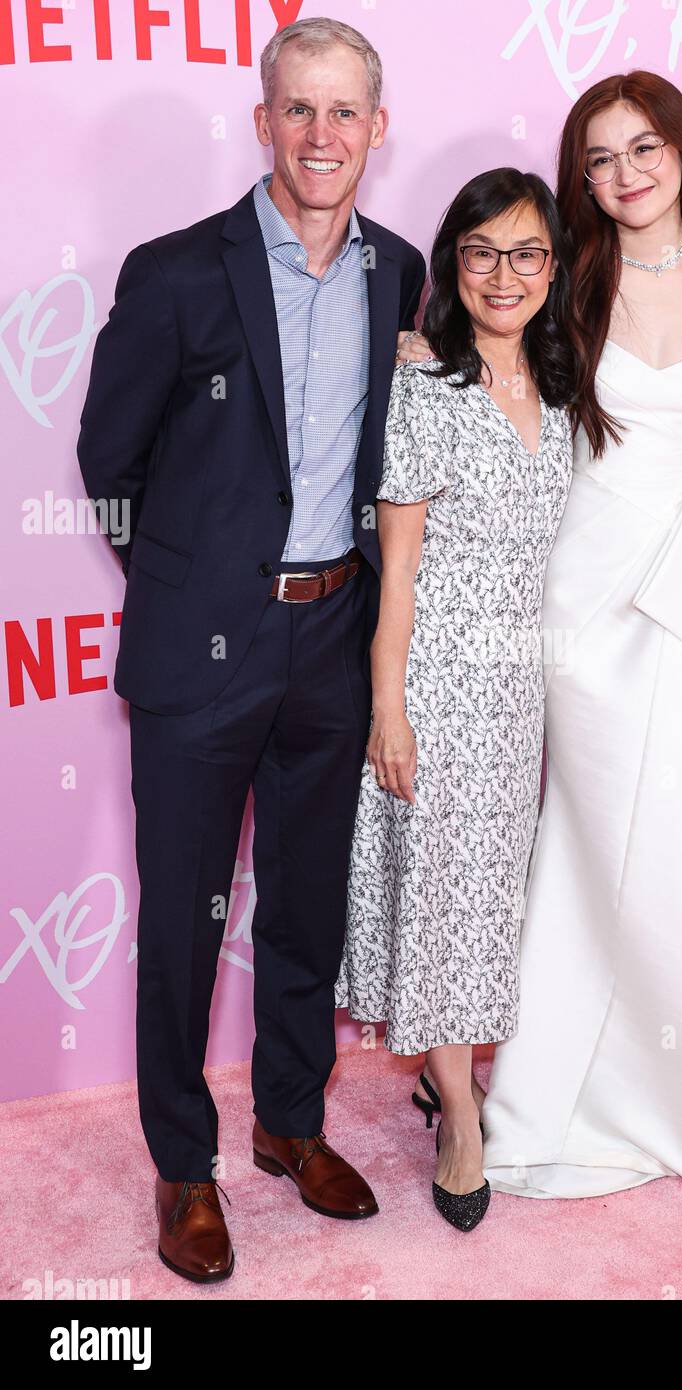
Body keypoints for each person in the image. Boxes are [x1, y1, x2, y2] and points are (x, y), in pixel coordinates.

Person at [77, 18, 425, 1282]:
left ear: (378, 130)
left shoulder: (399, 268)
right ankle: (184, 1163)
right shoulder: (173, 272)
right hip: (201, 653)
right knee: (181, 913)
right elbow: (106, 464)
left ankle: (290, 1119)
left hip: (333, 640)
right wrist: (184, 588)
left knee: (307, 900)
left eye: (346, 113)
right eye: (299, 110)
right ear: (263, 119)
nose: (321, 135)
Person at [472, 72, 682, 1199]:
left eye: (641, 147)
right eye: (599, 158)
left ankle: (677, 1062)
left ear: (681, 150)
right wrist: (428, 355)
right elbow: (491, 361)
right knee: (593, 821)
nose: (623, 173)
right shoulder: (569, 279)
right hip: (584, 580)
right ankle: (566, 1062)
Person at [337, 168, 575, 1231]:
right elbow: (397, 569)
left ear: (554, 268)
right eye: (479, 252)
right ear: (451, 266)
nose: (502, 274)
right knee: (440, 899)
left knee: (493, 900)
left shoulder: (566, 392)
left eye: (526, 252)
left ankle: (452, 1075)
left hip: (520, 688)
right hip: (435, 680)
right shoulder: (423, 391)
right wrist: (389, 707)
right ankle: (461, 1119)